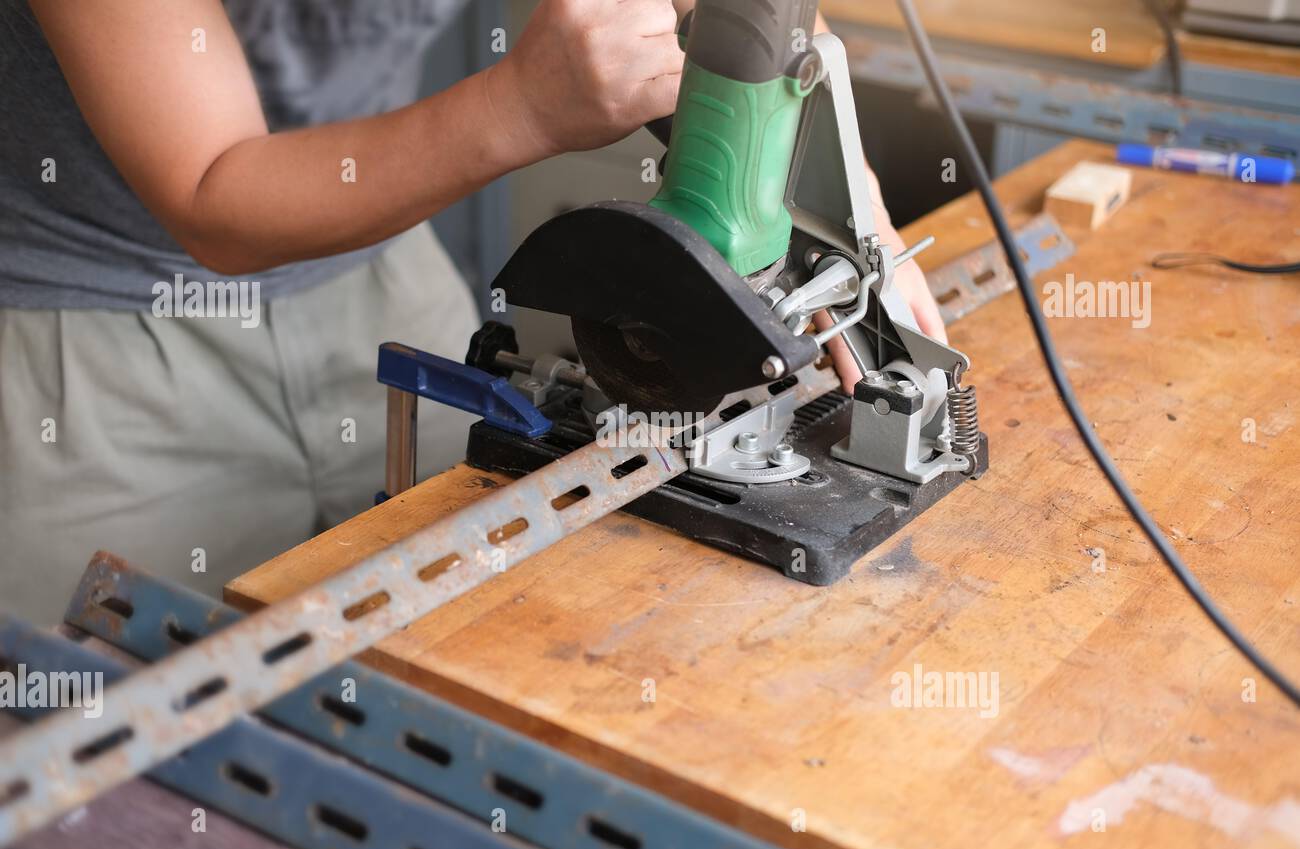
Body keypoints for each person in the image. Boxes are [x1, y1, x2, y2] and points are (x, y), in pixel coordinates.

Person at [0, 0, 946, 625]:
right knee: (132, 781)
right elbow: (213, 192)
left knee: (474, 649)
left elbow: (735, 14)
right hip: (100, 344)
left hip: (377, 267)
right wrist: (526, 106)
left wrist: (826, 192)